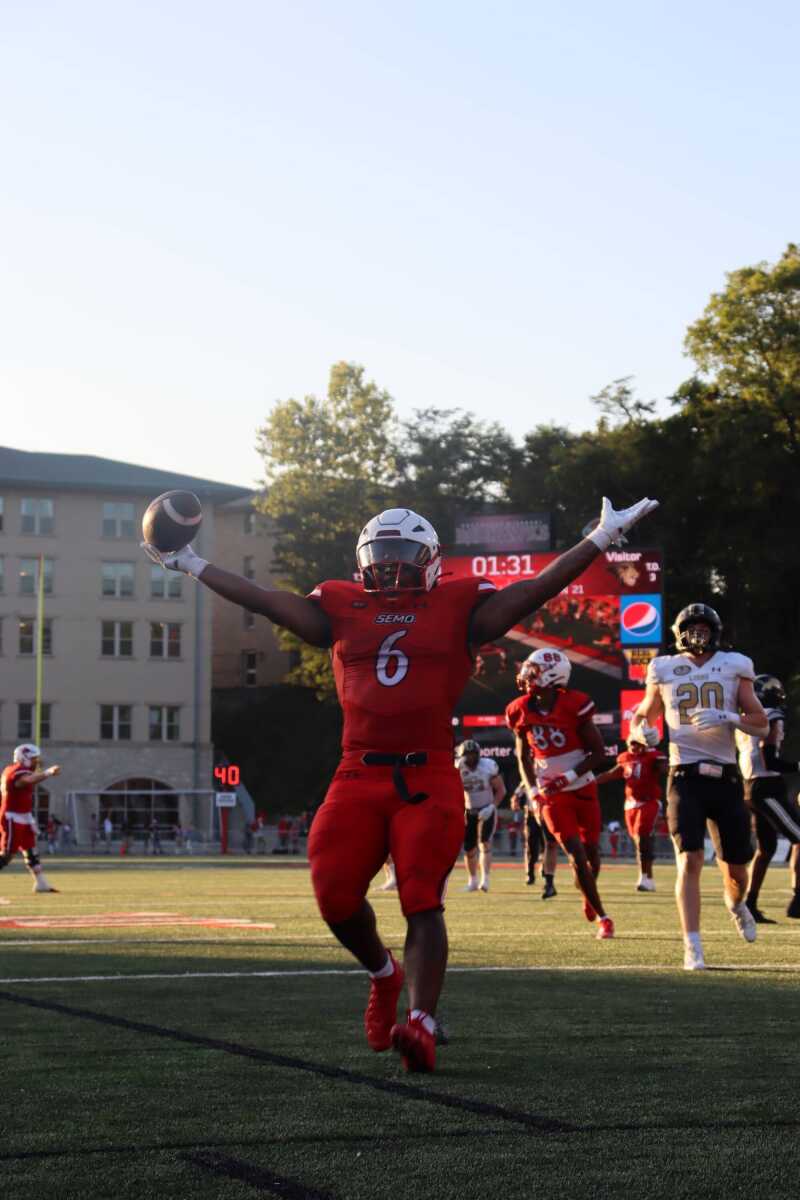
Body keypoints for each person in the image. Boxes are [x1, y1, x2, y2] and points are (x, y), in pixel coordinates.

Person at [143, 496, 657, 1071]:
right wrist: (191, 563)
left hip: (428, 771)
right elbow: (270, 602)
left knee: (420, 898)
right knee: (334, 895)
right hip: (358, 768)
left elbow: (528, 592)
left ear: (432, 560)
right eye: (380, 556)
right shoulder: (341, 602)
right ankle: (384, 975)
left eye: (401, 555)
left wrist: (596, 542)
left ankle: (422, 1023)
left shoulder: (460, 602)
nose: (389, 567)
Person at [631, 603, 768, 970]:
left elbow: (760, 724)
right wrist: (639, 728)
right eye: (692, 628)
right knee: (689, 859)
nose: (698, 635)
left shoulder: (734, 664)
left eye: (704, 629)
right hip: (684, 775)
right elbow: (646, 711)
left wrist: (728, 716)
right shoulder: (662, 667)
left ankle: (736, 904)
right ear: (679, 632)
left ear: (715, 632)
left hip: (724, 778)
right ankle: (692, 946)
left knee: (737, 870)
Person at [506, 648, 615, 938]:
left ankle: (587, 894)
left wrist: (566, 777)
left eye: (534, 671)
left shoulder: (575, 704)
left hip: (581, 787)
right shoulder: (519, 709)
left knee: (592, 853)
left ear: (552, 675)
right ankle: (604, 917)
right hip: (551, 796)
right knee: (576, 854)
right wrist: (532, 789)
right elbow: (522, 756)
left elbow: (598, 753)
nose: (527, 676)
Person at [735, 674, 800, 922]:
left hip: (750, 786)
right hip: (767, 786)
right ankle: (798, 900)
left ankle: (750, 904)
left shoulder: (744, 719)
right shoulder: (772, 716)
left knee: (767, 848)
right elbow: (770, 759)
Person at [596, 729, 666, 892]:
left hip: (648, 802)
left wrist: (661, 762)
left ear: (644, 744)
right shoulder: (625, 758)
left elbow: (665, 769)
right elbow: (612, 774)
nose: (633, 747)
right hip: (630, 804)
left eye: (637, 743)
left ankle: (644, 877)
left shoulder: (653, 756)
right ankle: (647, 878)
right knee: (639, 842)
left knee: (642, 837)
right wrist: (591, 781)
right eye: (631, 743)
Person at [0, 744, 60, 892]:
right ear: (24, 758)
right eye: (33, 759)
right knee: (8, 854)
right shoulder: (15, 771)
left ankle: (41, 883)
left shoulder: (22, 770)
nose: (36, 762)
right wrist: (47, 773)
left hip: (24, 816)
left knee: (31, 849)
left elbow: (29, 778)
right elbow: (25, 781)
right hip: (12, 816)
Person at [456, 740, 506, 892]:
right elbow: (454, 792)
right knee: (469, 848)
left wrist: (492, 806)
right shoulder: (457, 767)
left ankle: (485, 879)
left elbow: (501, 790)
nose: (471, 758)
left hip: (486, 808)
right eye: (467, 755)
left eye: (473, 755)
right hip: (468, 811)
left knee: (485, 843)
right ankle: (472, 881)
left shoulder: (488, 766)